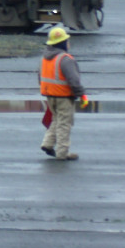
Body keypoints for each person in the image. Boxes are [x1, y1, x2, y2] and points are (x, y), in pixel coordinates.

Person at [39, 26, 89, 161]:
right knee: (64, 124)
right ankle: (62, 153)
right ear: (62, 43)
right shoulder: (65, 59)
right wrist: (81, 94)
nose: (68, 43)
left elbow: (40, 77)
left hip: (50, 96)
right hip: (64, 97)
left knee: (57, 120)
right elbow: (74, 80)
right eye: (66, 41)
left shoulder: (45, 58)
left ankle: (47, 144)